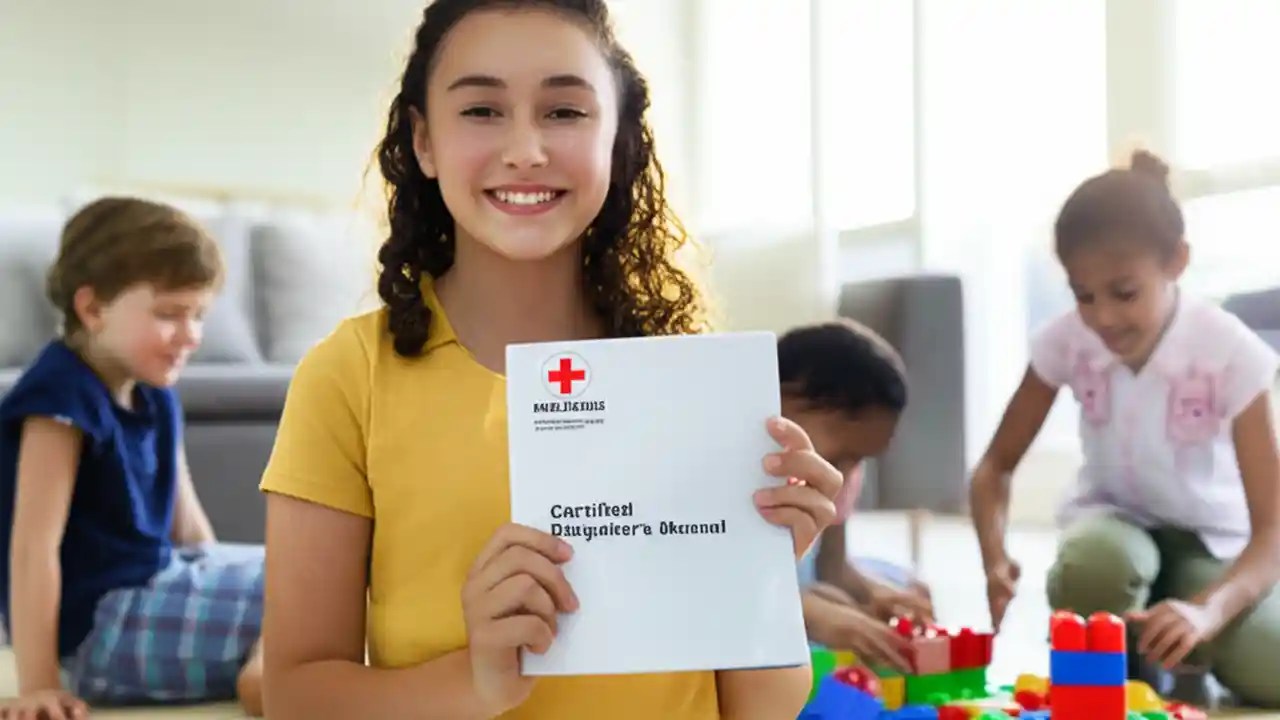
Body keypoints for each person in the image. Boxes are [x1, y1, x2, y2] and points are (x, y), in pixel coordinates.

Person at [256, 2, 844, 719]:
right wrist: (473, 681)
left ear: (620, 140)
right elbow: (296, 694)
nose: (526, 149)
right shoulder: (349, 377)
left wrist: (763, 576)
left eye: (565, 112)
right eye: (481, 110)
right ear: (424, 140)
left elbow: (757, 710)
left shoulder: (691, 381)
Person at [969, 150, 1280, 706]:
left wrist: (1208, 608)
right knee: (1097, 565)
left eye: (1124, 292)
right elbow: (994, 467)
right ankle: (1130, 652)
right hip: (1114, 528)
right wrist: (995, 559)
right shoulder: (1065, 340)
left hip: (1212, 544)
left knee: (1272, 667)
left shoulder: (1232, 353)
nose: (1103, 317)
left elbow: (1273, 532)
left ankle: (1177, 636)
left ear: (1176, 262)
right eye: (1083, 295)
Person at [0, 197, 266, 719]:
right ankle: (274, 670)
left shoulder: (153, 390)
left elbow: (190, 530)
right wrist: (39, 684)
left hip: (150, 591)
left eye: (199, 315)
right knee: (300, 588)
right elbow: (32, 551)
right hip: (101, 631)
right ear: (92, 309)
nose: (190, 336)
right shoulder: (59, 402)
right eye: (169, 314)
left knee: (307, 565)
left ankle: (273, 654)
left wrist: (219, 579)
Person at [778, 319, 935, 672]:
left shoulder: (842, 475)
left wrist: (873, 595)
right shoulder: (732, 468)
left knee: (904, 584)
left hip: (798, 578)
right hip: (736, 600)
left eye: (860, 460)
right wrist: (810, 610)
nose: (844, 475)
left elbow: (833, 565)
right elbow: (707, 582)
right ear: (779, 400)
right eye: (838, 458)